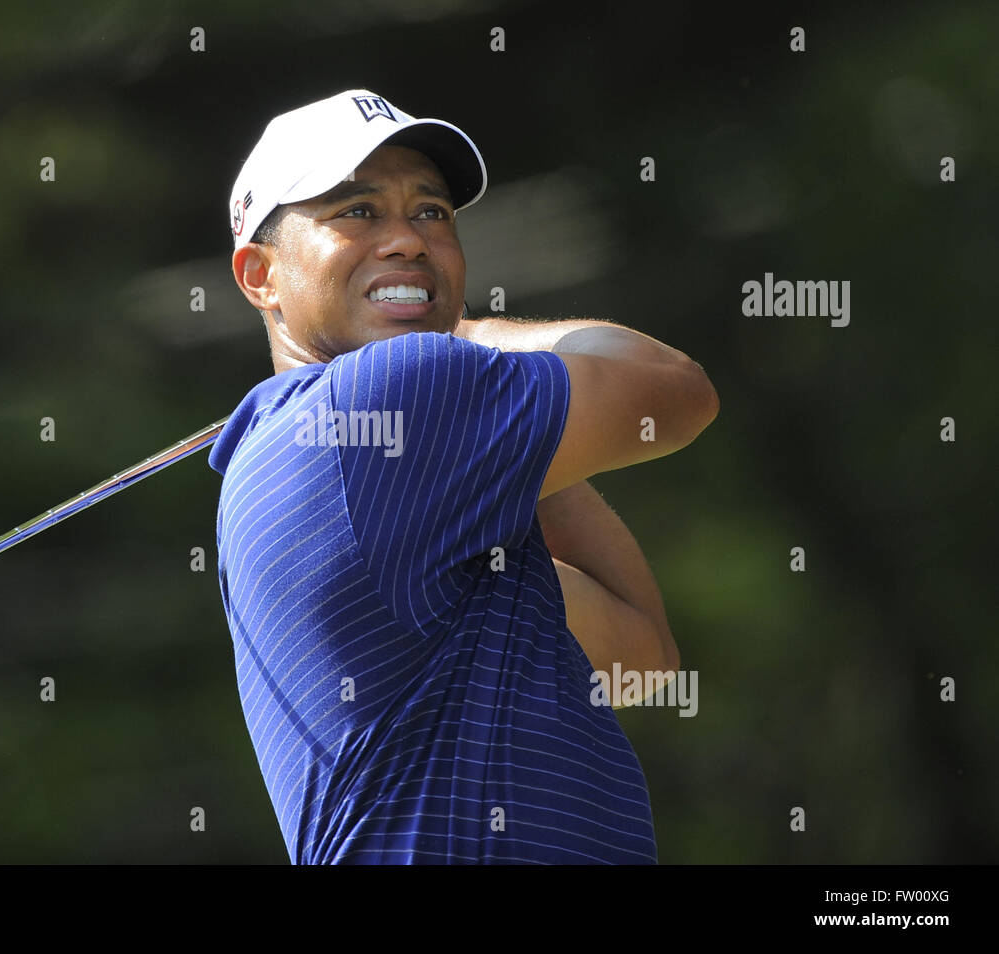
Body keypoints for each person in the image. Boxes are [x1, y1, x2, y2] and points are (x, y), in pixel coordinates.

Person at [209, 89, 719, 864]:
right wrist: (476, 339)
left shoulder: (313, 459)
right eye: (357, 212)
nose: (407, 240)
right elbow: (676, 392)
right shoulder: (394, 395)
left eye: (431, 213)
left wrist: (504, 441)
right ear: (260, 276)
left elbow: (640, 657)